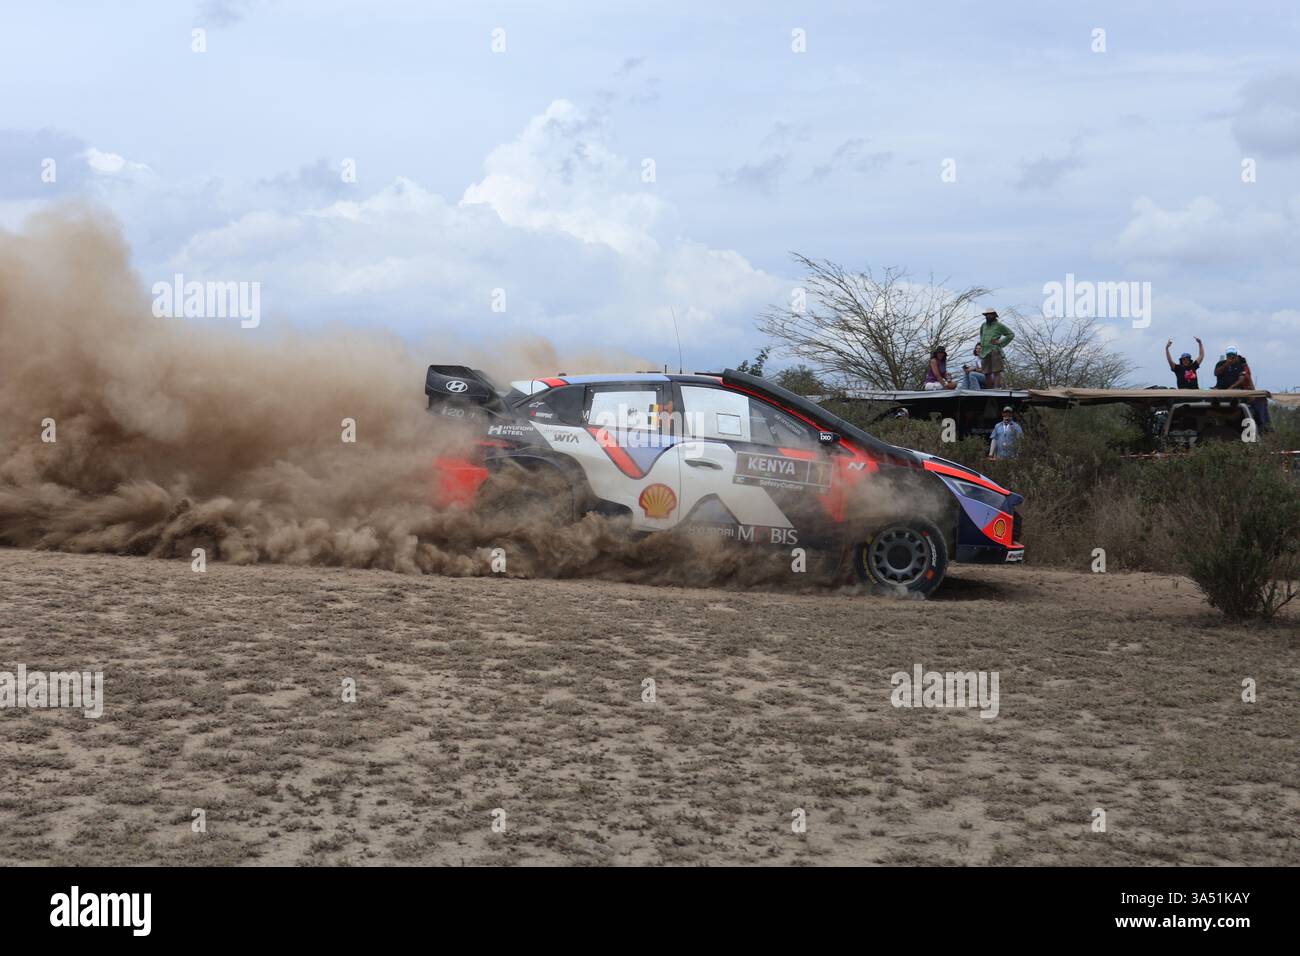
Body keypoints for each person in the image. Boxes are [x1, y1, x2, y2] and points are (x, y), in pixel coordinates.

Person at [979, 310, 1015, 388]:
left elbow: (1011, 334)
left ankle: (996, 390)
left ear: (994, 315)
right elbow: (981, 335)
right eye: (987, 315)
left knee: (996, 372)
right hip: (985, 351)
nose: (988, 316)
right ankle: (988, 392)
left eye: (990, 315)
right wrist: (982, 345)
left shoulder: (999, 325)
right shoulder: (983, 325)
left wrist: (1000, 342)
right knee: (986, 372)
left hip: (994, 350)